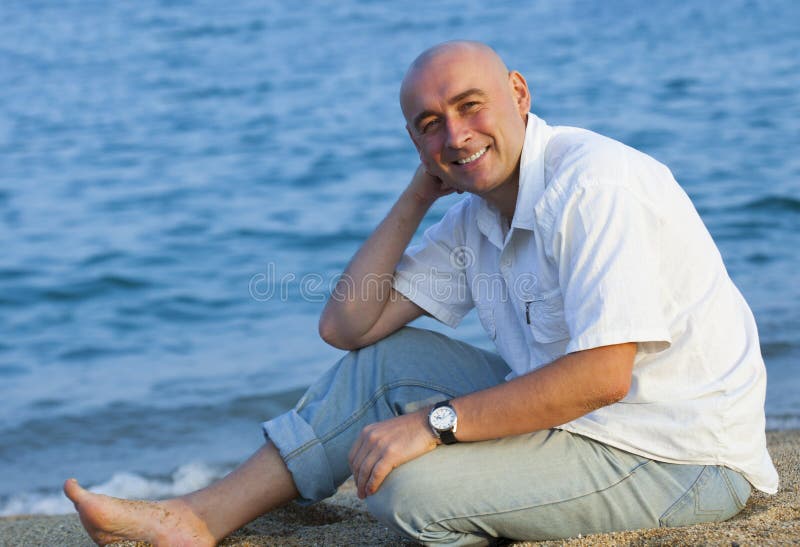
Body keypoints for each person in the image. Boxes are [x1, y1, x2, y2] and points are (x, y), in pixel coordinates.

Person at [63, 40, 778, 546]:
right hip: (584, 430)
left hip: (677, 454)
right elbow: (349, 327)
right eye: (430, 124)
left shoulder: (594, 185)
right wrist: (418, 193)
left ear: (519, 95)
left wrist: (433, 424)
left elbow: (603, 374)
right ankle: (194, 518)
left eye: (471, 106)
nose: (457, 134)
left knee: (408, 495)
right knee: (385, 364)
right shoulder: (475, 216)